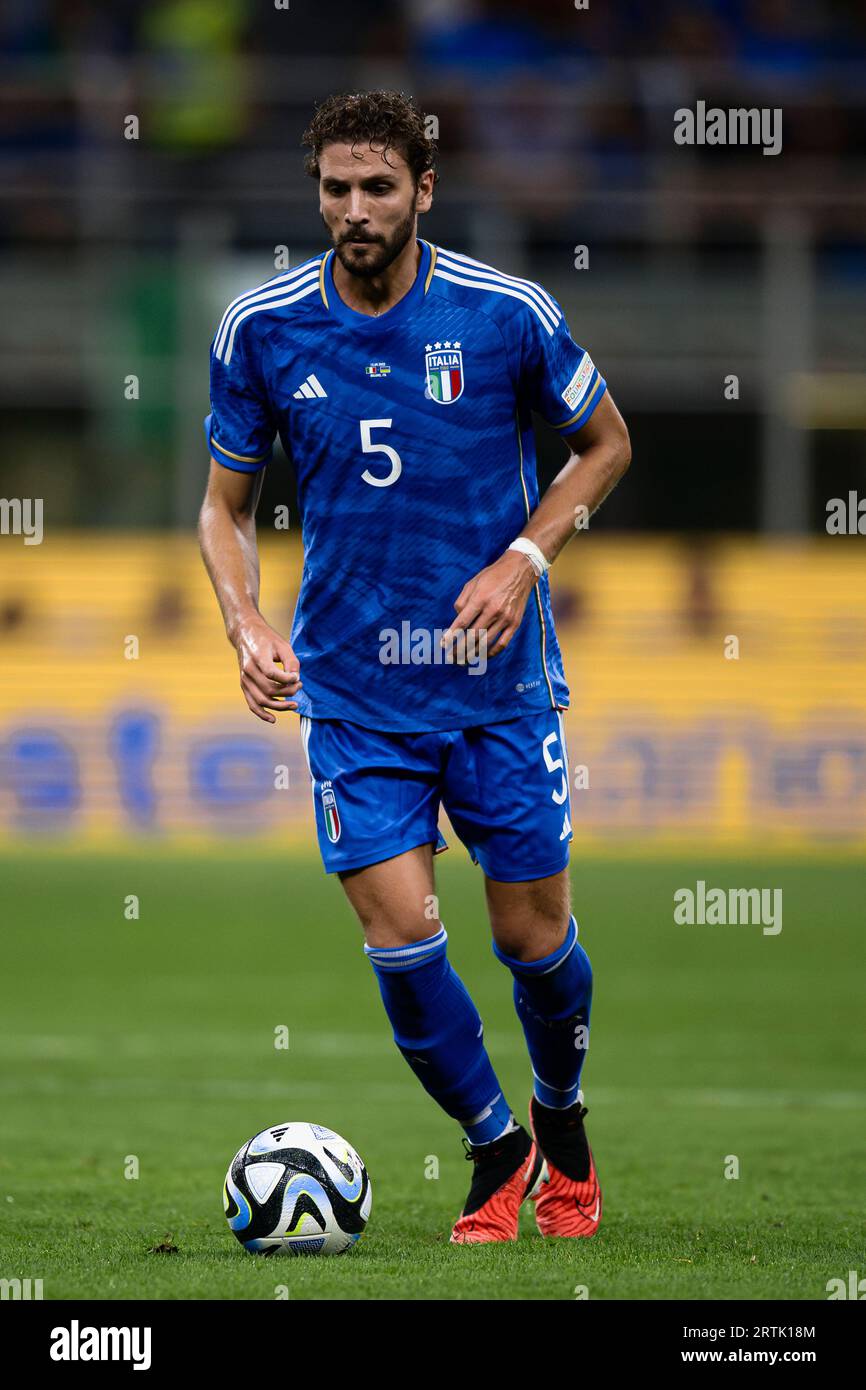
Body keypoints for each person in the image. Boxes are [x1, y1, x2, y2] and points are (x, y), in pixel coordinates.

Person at [198, 90, 631, 1244]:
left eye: (376, 188)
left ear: (422, 192)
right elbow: (221, 508)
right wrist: (244, 619)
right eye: (334, 189)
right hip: (349, 689)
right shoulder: (262, 328)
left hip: (492, 683)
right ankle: (497, 1150)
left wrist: (526, 556)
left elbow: (606, 443)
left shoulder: (503, 315)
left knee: (532, 940)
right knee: (399, 934)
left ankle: (563, 1124)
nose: (353, 209)